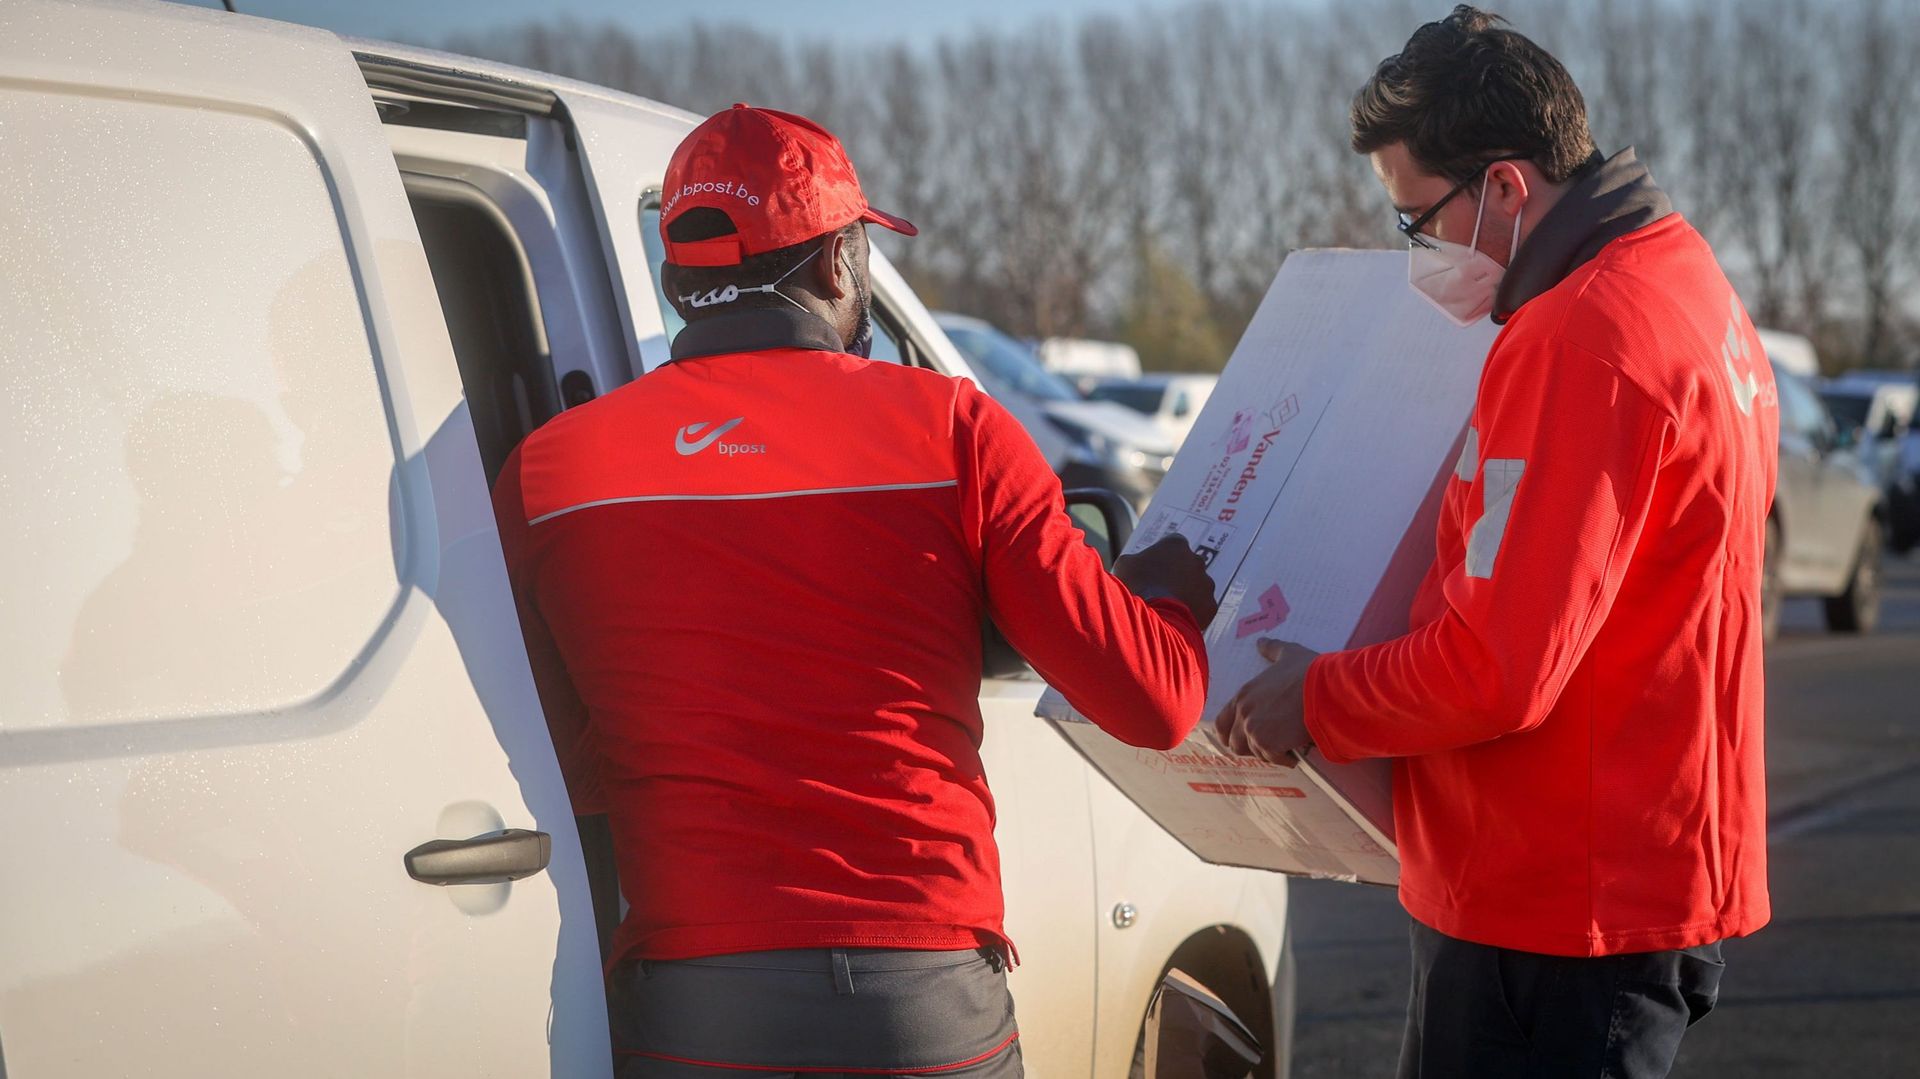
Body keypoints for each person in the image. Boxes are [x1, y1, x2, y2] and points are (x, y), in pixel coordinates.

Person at [491, 103, 1218, 1078]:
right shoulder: (952, 429)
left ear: (676, 282)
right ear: (839, 266)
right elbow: (1157, 699)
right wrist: (1165, 596)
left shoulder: (547, 474)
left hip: (696, 1001)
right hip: (919, 1001)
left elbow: (554, 759)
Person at [1212, 8, 1776, 1077]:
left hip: (1554, 907)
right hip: (1625, 873)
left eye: (1417, 219)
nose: (1416, 254)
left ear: (1508, 188)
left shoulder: (1579, 339)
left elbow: (1498, 665)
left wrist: (1315, 697)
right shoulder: (1686, 280)